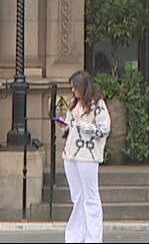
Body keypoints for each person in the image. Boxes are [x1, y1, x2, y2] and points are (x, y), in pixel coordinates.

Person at [54, 69, 111, 243]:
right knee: (77, 197)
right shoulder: (74, 105)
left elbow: (104, 130)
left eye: (75, 87)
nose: (73, 91)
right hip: (71, 154)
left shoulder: (98, 105)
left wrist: (84, 126)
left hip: (88, 155)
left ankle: (93, 238)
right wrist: (65, 127)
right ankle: (74, 236)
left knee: (90, 197)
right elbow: (71, 128)